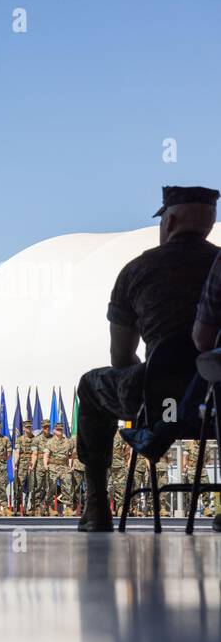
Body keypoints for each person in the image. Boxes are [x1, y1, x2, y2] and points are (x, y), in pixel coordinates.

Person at [76, 185, 220, 531]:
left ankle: (97, 506)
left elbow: (120, 356)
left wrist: (155, 384)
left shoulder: (137, 270)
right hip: (215, 402)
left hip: (156, 397)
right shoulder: (218, 265)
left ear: (168, 222)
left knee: (89, 385)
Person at [12, 419, 36, 515]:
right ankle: (17, 508)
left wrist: (32, 465)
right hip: (21, 464)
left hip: (31, 463)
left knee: (31, 486)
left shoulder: (35, 439)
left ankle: (28, 508)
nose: (28, 429)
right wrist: (15, 464)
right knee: (19, 486)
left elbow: (35, 453)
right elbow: (17, 452)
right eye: (27, 427)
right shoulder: (19, 439)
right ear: (23, 428)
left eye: (30, 427)